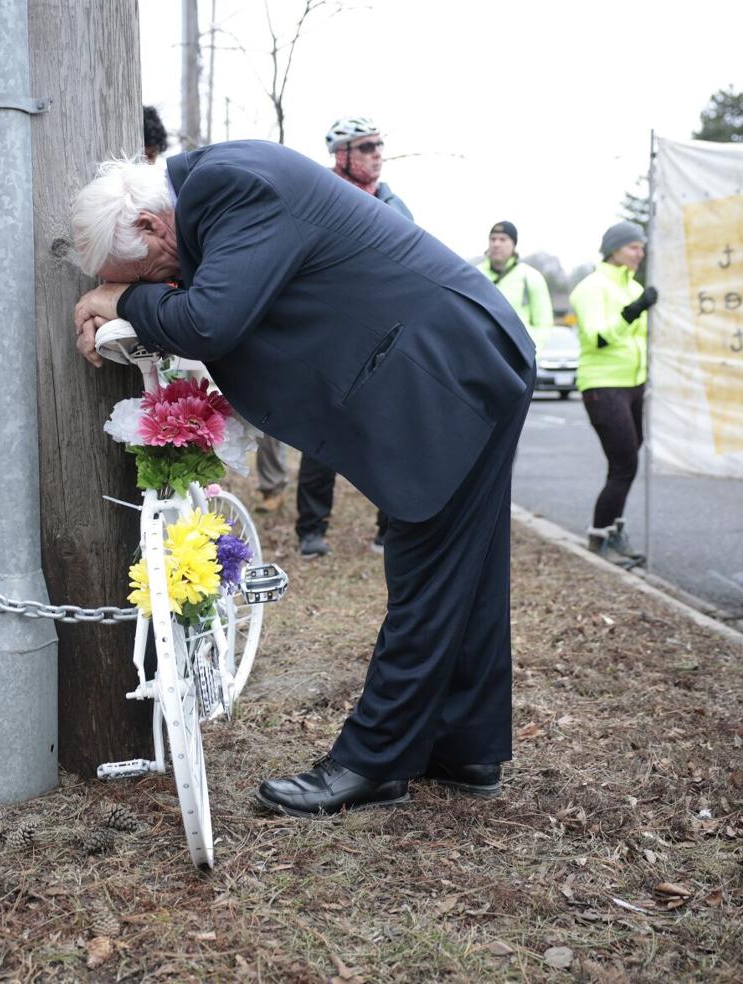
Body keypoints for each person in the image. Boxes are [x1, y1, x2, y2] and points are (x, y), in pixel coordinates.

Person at [68, 142, 535, 818]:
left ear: (149, 224)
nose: (164, 281)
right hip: (457, 358)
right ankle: (468, 747)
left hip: (448, 372)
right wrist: (138, 290)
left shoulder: (229, 189)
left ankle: (374, 762)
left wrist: (122, 297)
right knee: (467, 567)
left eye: (146, 270)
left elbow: (208, 320)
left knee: (427, 572)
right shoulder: (218, 188)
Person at [294, 116, 413, 558]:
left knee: (390, 434)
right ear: (341, 154)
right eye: (366, 147)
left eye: (379, 145)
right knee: (321, 438)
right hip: (328, 339)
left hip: (383, 338)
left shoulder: (395, 205)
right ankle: (311, 530)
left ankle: (390, 529)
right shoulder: (318, 198)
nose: (376, 153)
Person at [569, 221, 657, 568]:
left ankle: (615, 530)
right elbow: (599, 337)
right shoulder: (591, 288)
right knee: (624, 465)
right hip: (603, 384)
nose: (640, 253)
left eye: (642, 247)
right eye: (634, 246)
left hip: (634, 383)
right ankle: (598, 537)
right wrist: (634, 311)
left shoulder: (633, 286)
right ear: (614, 249)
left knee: (627, 460)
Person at [476, 221, 553, 340]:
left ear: (513, 244)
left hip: (518, 348)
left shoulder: (530, 277)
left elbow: (544, 323)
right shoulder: (476, 275)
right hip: (484, 346)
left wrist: (529, 349)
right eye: (493, 239)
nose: (496, 244)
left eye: (503, 239)